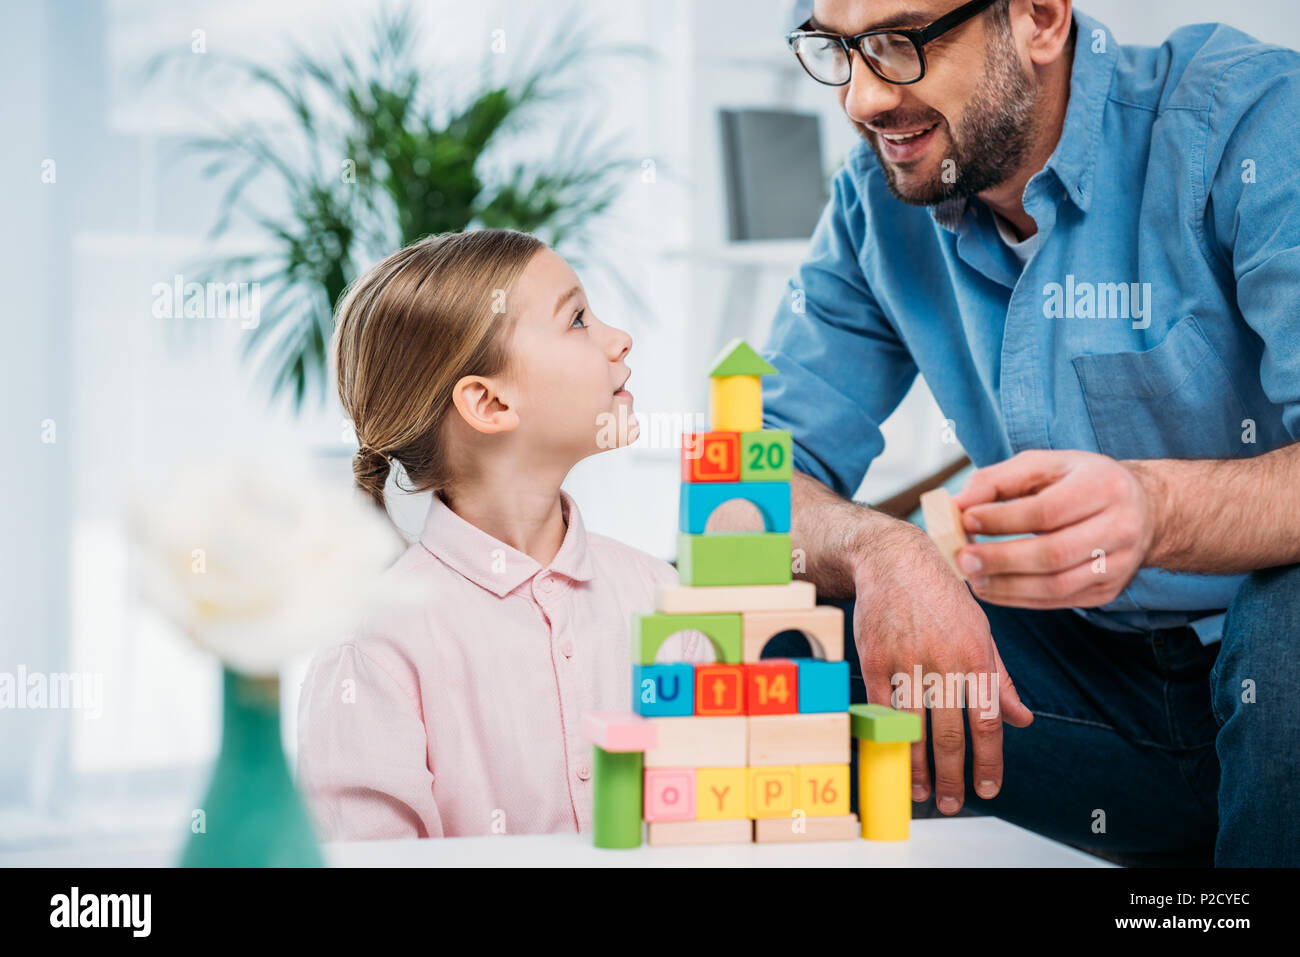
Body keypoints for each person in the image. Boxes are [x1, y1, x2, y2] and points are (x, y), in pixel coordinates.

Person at [763, 0, 1300, 865]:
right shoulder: (877, 201)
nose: (860, 98)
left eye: (900, 44)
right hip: (1090, 694)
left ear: (1039, 19)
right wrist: (881, 551)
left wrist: (1156, 509)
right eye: (837, 50)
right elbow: (743, 481)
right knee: (776, 620)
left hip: (1268, 673)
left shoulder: (1249, 122)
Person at [296, 229, 706, 839]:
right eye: (577, 320)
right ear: (488, 404)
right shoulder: (373, 651)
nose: (619, 339)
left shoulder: (662, 598)